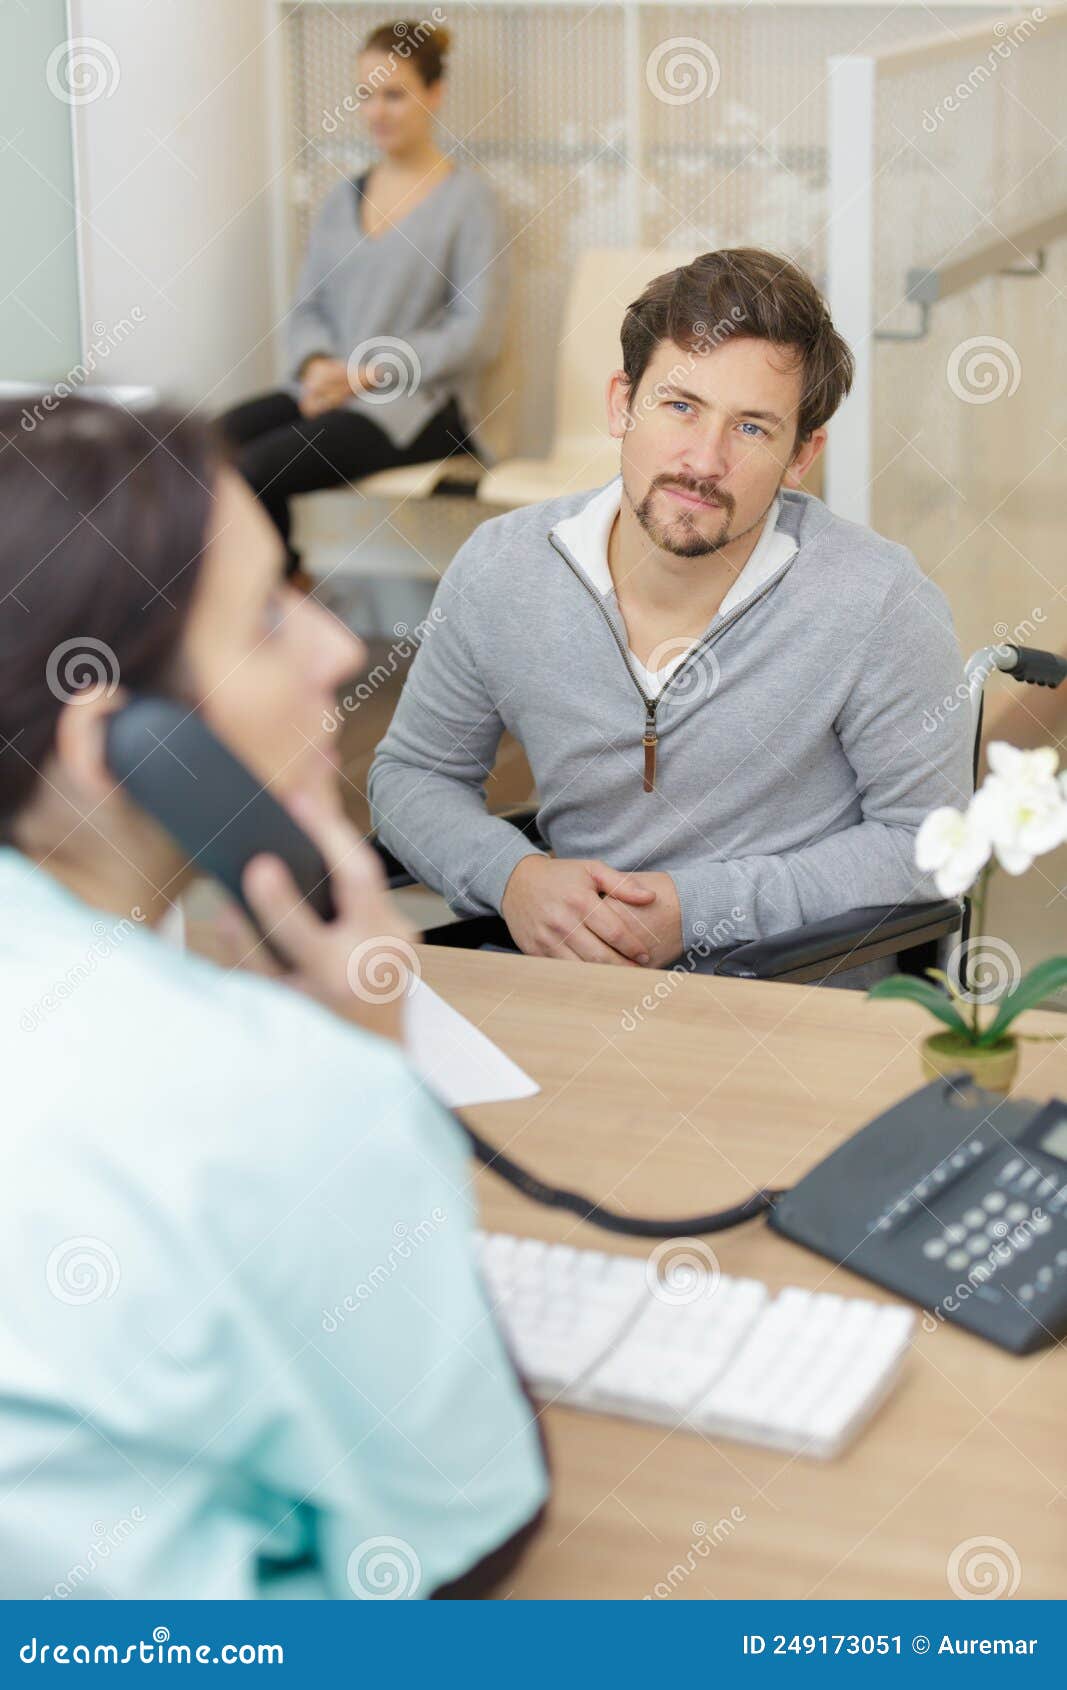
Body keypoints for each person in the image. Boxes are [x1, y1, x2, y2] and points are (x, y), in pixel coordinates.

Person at [0, 395, 546, 1599]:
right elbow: (469, 1537)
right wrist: (362, 1061)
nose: (338, 650)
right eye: (263, 617)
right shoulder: (273, 1093)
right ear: (120, 743)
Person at [369, 248, 974, 986]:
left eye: (751, 428)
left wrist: (700, 908)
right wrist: (512, 877)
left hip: (790, 1008)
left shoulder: (878, 598)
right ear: (623, 402)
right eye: (680, 407)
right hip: (571, 982)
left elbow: (929, 842)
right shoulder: (503, 566)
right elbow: (412, 775)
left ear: (800, 455)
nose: (702, 460)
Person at [219, 20, 505, 577]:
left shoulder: (470, 202)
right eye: (365, 95)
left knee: (257, 468)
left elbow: (477, 332)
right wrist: (319, 365)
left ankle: (275, 606)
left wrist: (362, 373)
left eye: (394, 94)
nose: (377, 111)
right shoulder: (340, 199)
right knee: (205, 449)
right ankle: (283, 583)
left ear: (434, 94)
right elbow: (307, 306)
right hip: (329, 390)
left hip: (416, 407)